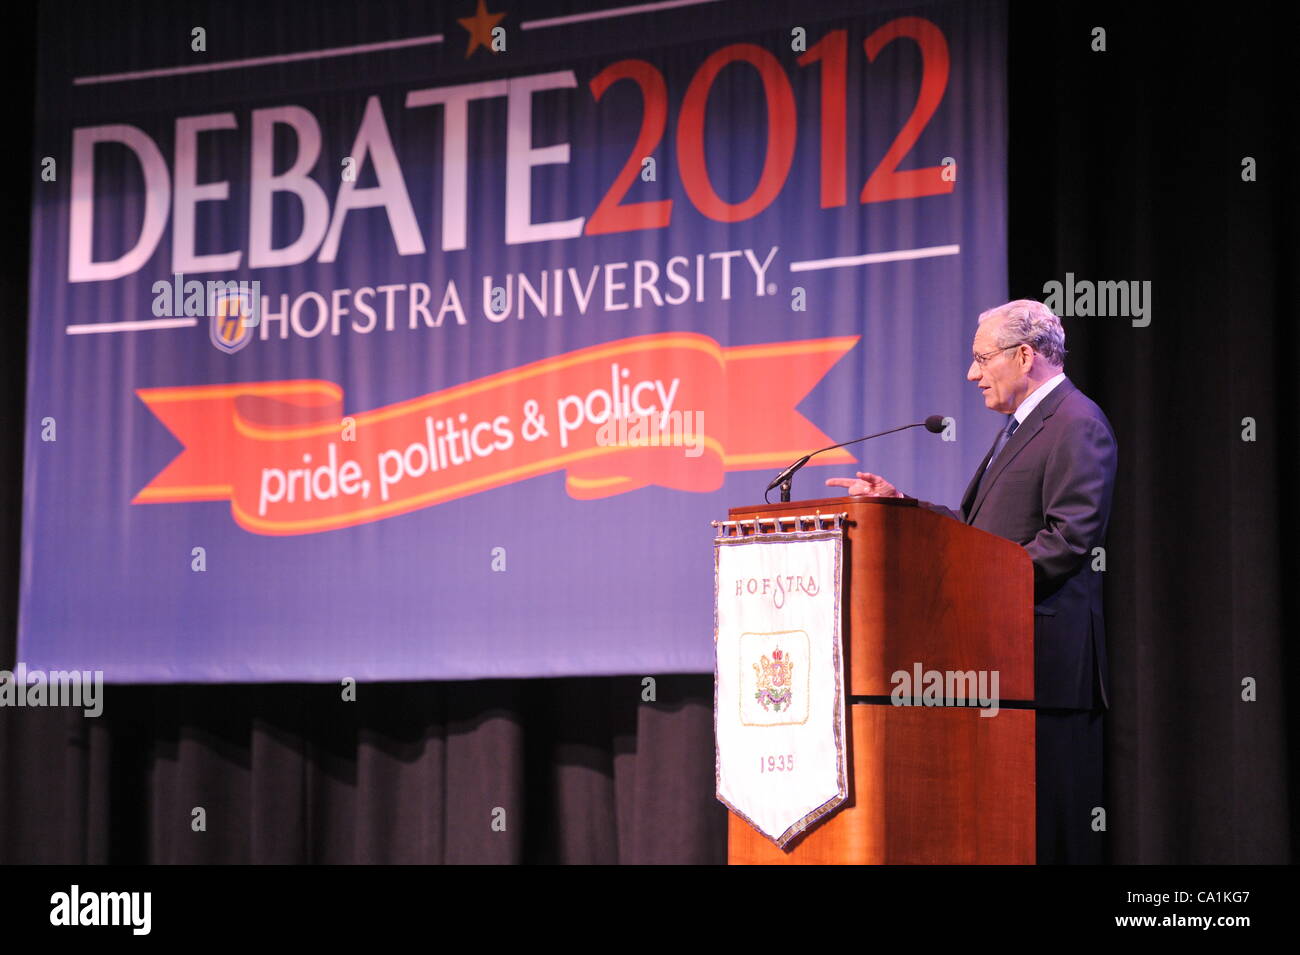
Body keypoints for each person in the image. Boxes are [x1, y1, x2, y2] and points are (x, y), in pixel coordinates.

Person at [827, 299, 1117, 864]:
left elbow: (1069, 539)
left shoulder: (1078, 424)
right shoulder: (1023, 426)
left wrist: (977, 590)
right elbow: (980, 531)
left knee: (1050, 837)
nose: (972, 373)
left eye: (982, 358)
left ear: (1025, 355)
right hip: (1000, 667)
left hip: (1046, 669)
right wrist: (902, 506)